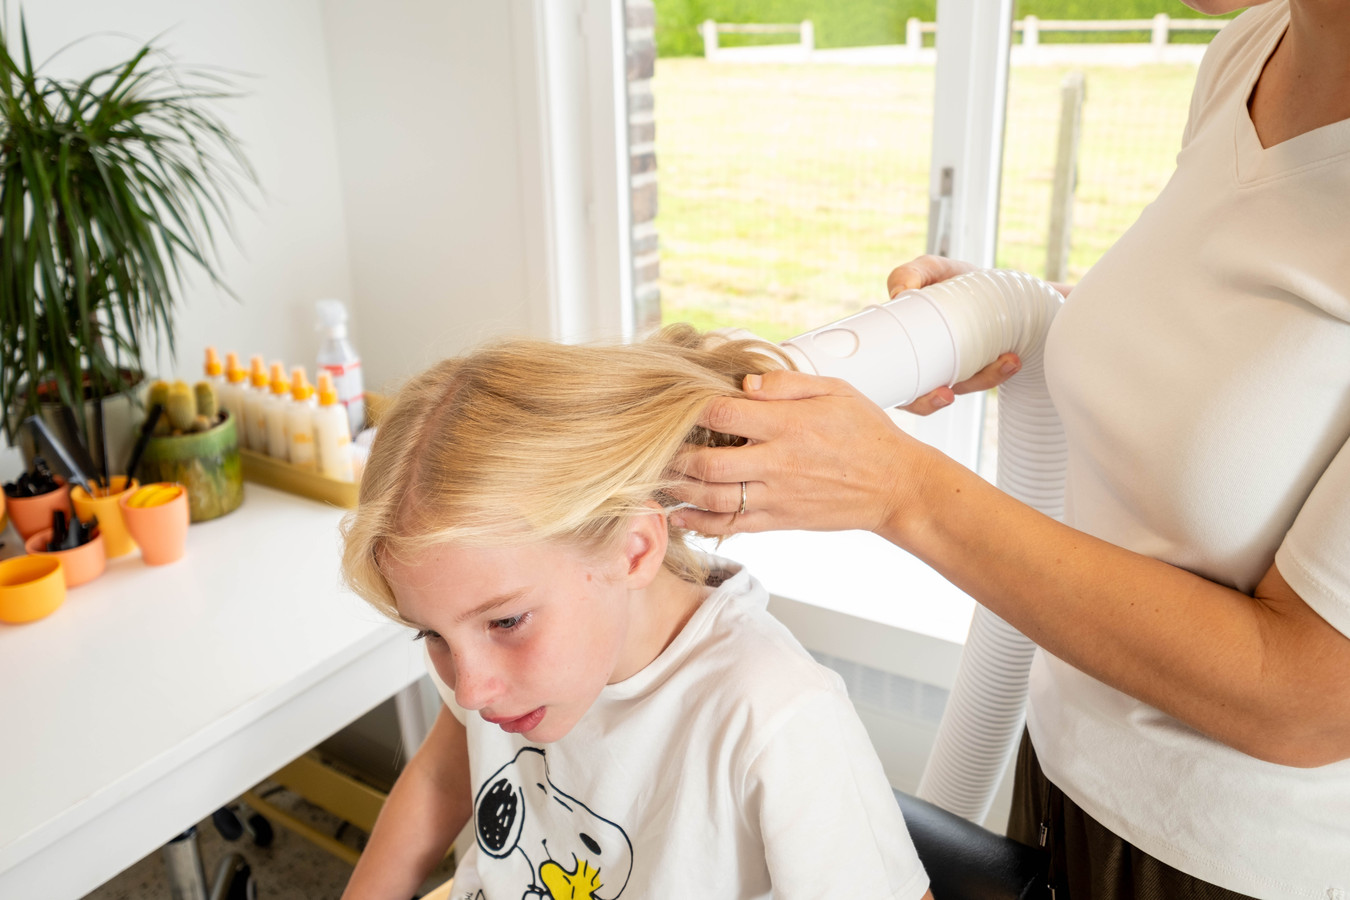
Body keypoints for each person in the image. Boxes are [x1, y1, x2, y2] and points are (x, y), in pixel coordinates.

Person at [670, 1, 1350, 898]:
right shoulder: (1253, 49)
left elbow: (1303, 700)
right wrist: (1029, 320)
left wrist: (902, 492)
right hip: (1066, 773)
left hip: (1235, 863)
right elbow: (1253, 369)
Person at [337, 325, 934, 900]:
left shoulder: (771, 716)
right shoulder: (497, 659)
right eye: (431, 636)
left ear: (635, 548)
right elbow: (444, 778)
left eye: (506, 623)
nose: (470, 690)